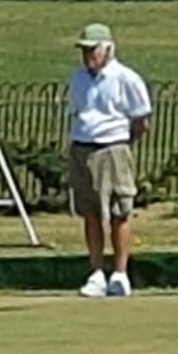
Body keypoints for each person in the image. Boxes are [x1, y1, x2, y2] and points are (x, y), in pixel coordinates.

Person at [65, 22, 153, 298]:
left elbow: (141, 120)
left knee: (119, 211)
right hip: (82, 147)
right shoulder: (78, 77)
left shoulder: (126, 78)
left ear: (108, 49)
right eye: (84, 50)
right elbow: (77, 111)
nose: (87, 55)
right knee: (90, 213)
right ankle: (96, 273)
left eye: (93, 50)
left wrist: (122, 142)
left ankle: (120, 273)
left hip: (113, 147)